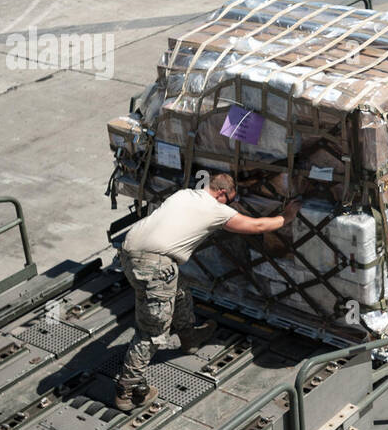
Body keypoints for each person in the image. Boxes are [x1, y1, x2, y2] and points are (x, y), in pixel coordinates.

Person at [114, 173, 302, 412]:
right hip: (155, 263)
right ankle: (128, 390)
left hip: (129, 252)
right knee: (152, 329)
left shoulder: (184, 195)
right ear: (222, 193)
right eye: (230, 200)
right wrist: (288, 215)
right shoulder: (216, 209)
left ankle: (189, 336)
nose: (229, 205)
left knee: (179, 290)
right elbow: (258, 226)